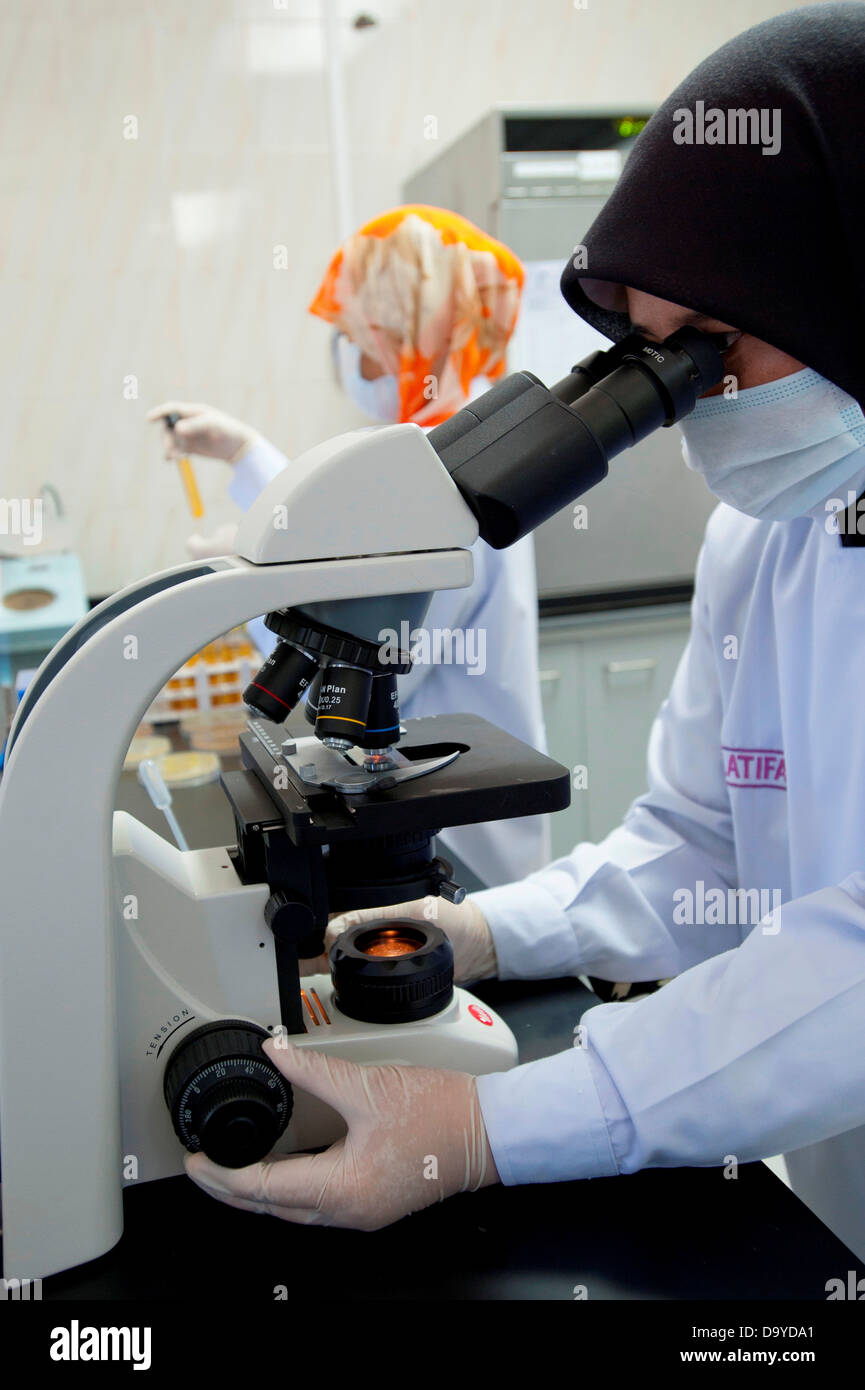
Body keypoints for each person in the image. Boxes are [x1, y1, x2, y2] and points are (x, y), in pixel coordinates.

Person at [182, 5, 865, 1260]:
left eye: (712, 349)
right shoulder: (766, 534)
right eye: (651, 360)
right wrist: (488, 931)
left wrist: (491, 1129)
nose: (686, 403)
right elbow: (707, 852)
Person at [149, 206, 548, 889]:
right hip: (418, 805)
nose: (351, 359)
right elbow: (348, 546)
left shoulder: (452, 474)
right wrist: (244, 454)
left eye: (356, 335)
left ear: (400, 329)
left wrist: (249, 586)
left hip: (456, 839)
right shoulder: (441, 450)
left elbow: (358, 637)